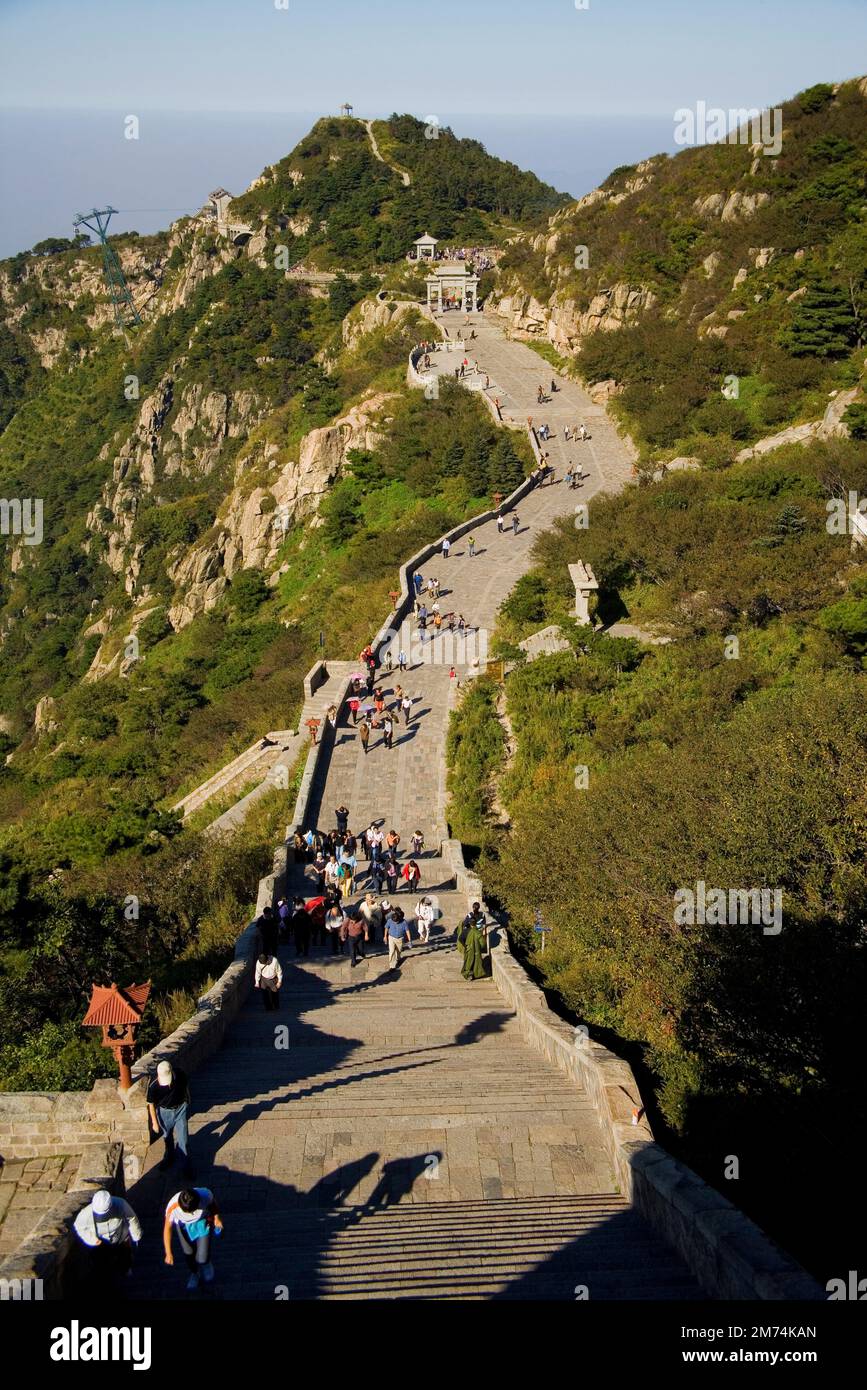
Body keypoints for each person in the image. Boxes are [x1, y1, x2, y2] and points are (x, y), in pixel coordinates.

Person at [73, 1189, 142, 1290]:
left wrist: (136, 1235)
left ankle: (125, 1268)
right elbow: (79, 1227)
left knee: (125, 1254)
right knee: (102, 1265)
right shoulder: (85, 1214)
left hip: (120, 1236)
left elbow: (132, 1218)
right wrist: (93, 1240)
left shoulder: (121, 1204)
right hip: (101, 1242)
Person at [164, 1186, 223, 1292]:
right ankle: (195, 1273)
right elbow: (167, 1228)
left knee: (202, 1256)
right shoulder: (172, 1207)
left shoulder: (205, 1195)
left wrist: (217, 1219)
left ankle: (206, 1263)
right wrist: (168, 1252)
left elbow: (213, 1205)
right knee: (188, 1253)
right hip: (183, 1227)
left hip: (202, 1223)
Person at [147, 1061, 194, 1177]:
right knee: (167, 1136)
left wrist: (188, 1099)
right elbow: (151, 1104)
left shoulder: (180, 1075)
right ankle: (169, 1156)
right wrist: (154, 1123)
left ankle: (186, 1167)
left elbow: (185, 1086)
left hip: (180, 1110)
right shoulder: (154, 1086)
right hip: (164, 1112)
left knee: (183, 1139)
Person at [460, 908, 488, 981]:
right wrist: (478, 947)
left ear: (470, 923)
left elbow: (460, 939)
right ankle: (475, 974)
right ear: (475, 923)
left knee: (468, 962)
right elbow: (483, 944)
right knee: (476, 963)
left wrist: (465, 945)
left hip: (468, 949)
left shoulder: (465, 931)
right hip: (476, 951)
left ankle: (468, 974)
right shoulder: (478, 933)